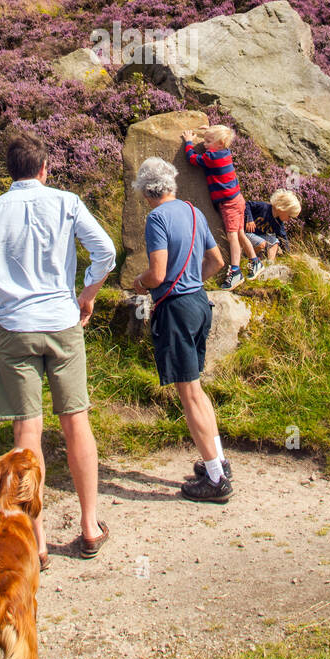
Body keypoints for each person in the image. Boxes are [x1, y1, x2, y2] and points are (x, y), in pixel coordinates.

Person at [0, 133, 116, 566]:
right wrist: (87, 294)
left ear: (10, 172)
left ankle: (37, 540)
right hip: (62, 321)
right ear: (44, 169)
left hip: (14, 328)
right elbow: (105, 251)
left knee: (25, 435)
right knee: (76, 423)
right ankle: (90, 528)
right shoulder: (67, 202)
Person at [131, 156, 230, 503]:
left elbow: (157, 274)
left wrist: (140, 283)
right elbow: (217, 261)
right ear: (171, 183)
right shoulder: (192, 211)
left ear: (146, 192)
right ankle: (219, 461)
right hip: (201, 304)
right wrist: (191, 285)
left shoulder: (156, 218)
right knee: (197, 389)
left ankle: (216, 480)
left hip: (175, 311)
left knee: (188, 395)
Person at [182, 124, 262, 290]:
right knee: (240, 234)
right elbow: (220, 138)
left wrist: (188, 142)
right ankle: (255, 261)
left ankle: (235, 271)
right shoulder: (225, 152)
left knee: (232, 236)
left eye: (208, 140)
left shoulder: (212, 157)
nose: (204, 144)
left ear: (219, 143)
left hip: (229, 204)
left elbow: (192, 159)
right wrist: (209, 129)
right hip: (238, 199)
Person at [244, 189, 302, 261]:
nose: (289, 220)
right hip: (246, 233)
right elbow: (247, 204)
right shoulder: (263, 207)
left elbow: (283, 239)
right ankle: (246, 256)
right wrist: (249, 219)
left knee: (275, 242)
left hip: (257, 237)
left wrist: (288, 255)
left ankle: (270, 263)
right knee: (262, 244)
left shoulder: (278, 223)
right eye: (289, 216)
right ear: (283, 208)